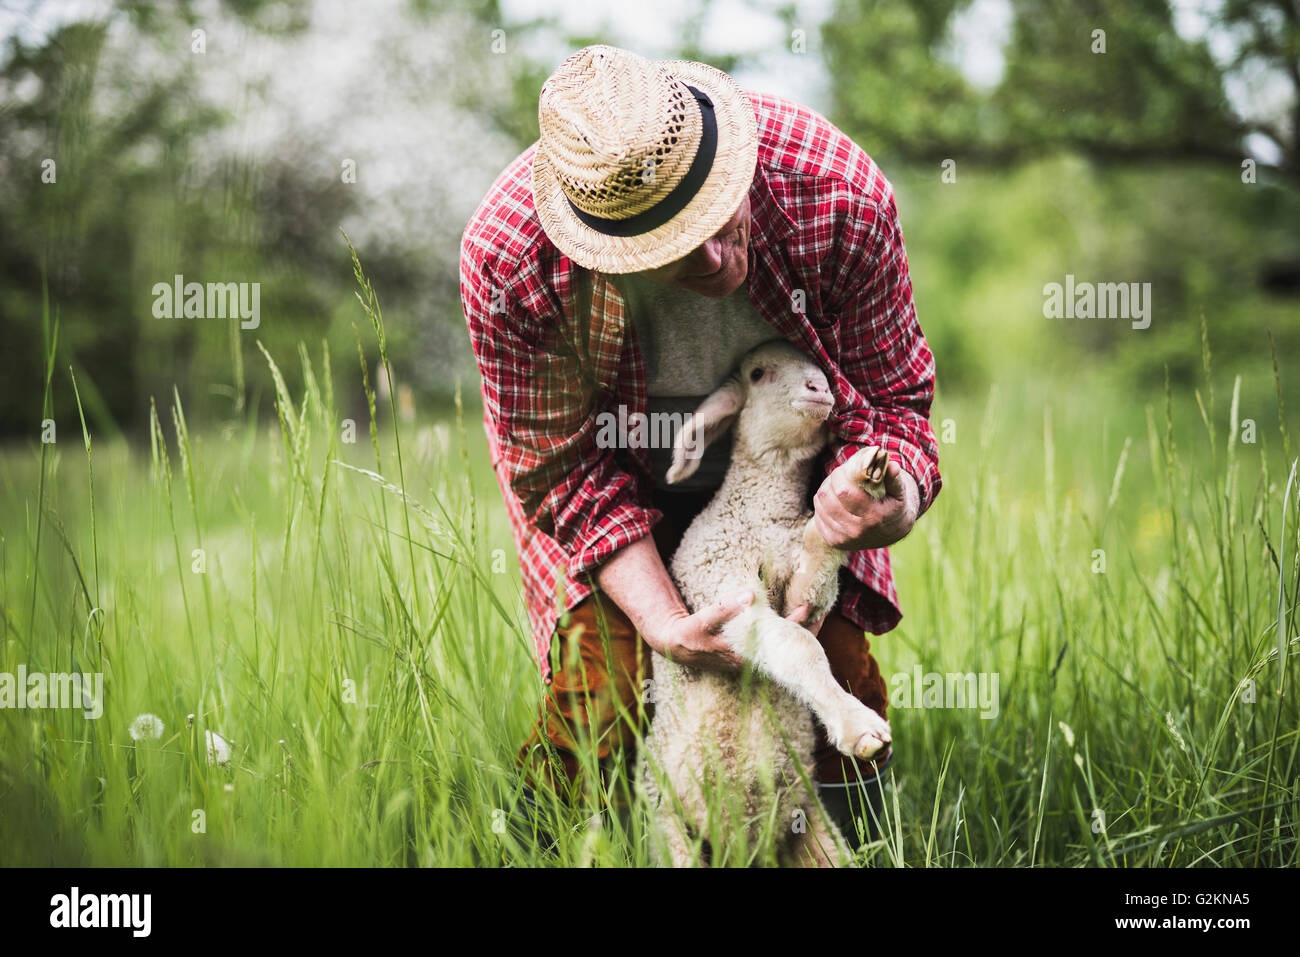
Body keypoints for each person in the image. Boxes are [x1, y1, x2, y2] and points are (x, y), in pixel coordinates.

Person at [459, 44, 941, 850]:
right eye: (671, 251)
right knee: (602, 689)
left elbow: (894, 404)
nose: (714, 259)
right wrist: (662, 623)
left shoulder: (837, 191)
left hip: (792, 489)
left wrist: (890, 502)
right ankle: (565, 845)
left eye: (713, 217)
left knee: (833, 675)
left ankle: (846, 844)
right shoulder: (512, 261)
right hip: (615, 472)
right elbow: (564, 470)